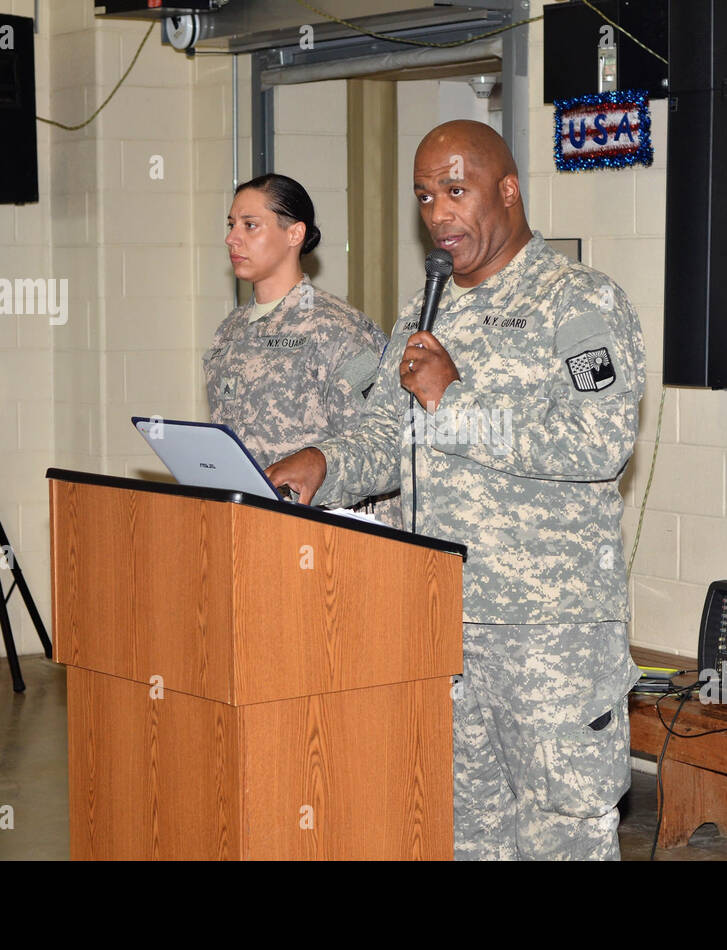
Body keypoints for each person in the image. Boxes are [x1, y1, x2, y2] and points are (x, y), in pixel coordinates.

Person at [266, 120, 645, 860]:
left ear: (507, 190)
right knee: (465, 838)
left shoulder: (578, 303)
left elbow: (600, 445)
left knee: (562, 838)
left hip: (549, 637)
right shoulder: (423, 311)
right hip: (443, 625)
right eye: (424, 195)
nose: (438, 212)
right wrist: (320, 463)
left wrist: (454, 400)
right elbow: (386, 438)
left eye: (455, 190)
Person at [204, 174, 395, 523]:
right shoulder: (229, 331)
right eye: (232, 225)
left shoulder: (338, 330)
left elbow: (381, 450)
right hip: (245, 527)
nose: (232, 238)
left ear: (294, 234)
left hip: (322, 538)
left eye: (250, 226)